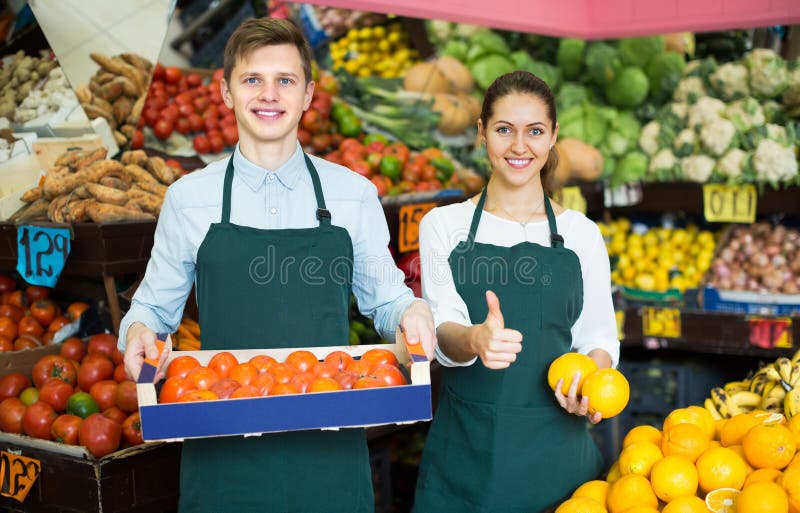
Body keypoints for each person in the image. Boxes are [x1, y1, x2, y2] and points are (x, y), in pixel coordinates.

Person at [118, 17, 436, 513]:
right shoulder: (189, 199)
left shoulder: (352, 194)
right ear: (225, 92)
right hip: (221, 447)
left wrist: (412, 315)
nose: (269, 95)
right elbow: (153, 311)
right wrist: (139, 333)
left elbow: (389, 301)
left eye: (285, 80)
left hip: (328, 449)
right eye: (252, 80)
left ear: (308, 93)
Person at [411, 70, 620, 512]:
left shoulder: (581, 234)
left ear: (553, 137)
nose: (520, 146)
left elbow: (598, 339)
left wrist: (589, 383)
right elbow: (443, 331)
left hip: (561, 465)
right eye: (504, 130)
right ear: (482, 133)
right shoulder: (442, 226)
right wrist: (475, 339)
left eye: (535, 131)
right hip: (467, 461)